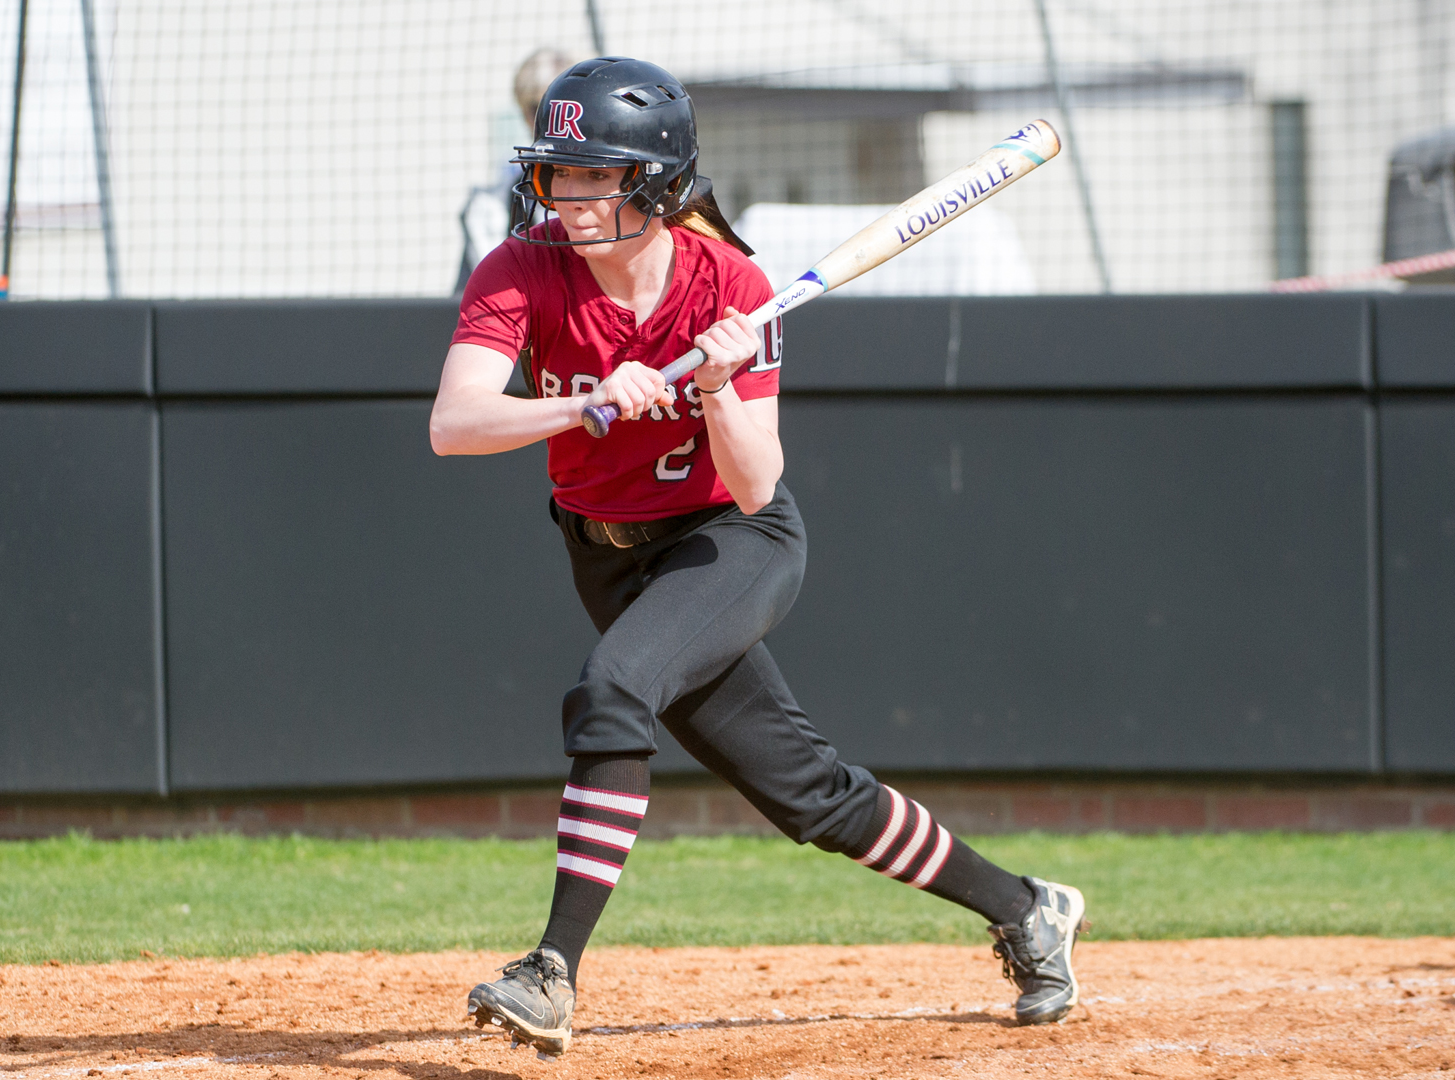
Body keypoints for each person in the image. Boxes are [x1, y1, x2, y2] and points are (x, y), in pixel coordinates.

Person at [429, 56, 1086, 1059]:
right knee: (810, 795)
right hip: (605, 554)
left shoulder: (728, 284)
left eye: (594, 175)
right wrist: (590, 400)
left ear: (652, 184)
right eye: (559, 172)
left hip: (725, 542)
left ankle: (551, 970)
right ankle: (1028, 907)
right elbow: (456, 422)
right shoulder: (520, 268)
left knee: (613, 689)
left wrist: (714, 385)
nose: (567, 196)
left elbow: (752, 484)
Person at [452, 46, 574, 294]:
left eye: (560, 110)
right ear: (524, 114)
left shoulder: (617, 192)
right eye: (536, 108)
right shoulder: (490, 210)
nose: (547, 122)